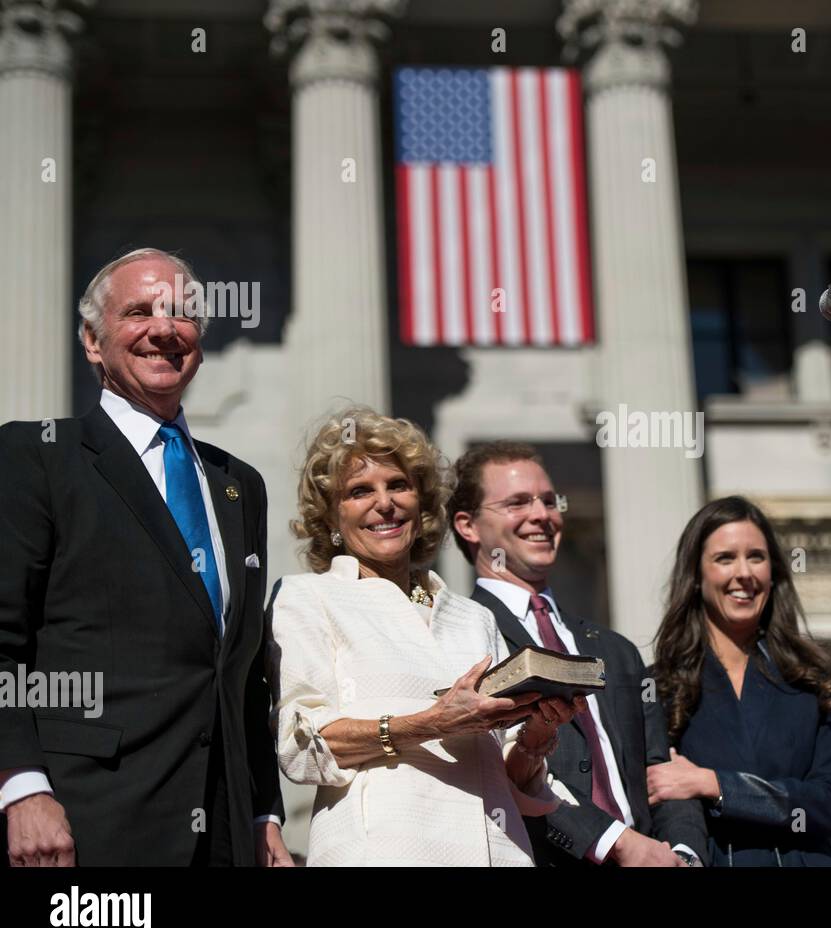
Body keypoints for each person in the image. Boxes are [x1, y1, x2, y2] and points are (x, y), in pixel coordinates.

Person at [0, 248, 288, 866]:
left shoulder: (239, 485)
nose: (163, 329)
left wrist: (264, 811)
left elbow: (241, 675)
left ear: (201, 342)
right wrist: (21, 789)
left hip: (228, 831)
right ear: (93, 341)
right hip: (86, 825)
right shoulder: (37, 458)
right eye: (137, 312)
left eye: (182, 314)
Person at [267, 411, 582, 866]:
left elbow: (513, 775)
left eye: (398, 485)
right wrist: (432, 722)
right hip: (382, 852)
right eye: (360, 491)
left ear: (422, 501)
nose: (385, 503)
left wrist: (538, 732)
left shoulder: (472, 617)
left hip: (499, 851)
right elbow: (302, 748)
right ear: (331, 515)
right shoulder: (308, 598)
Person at [449, 441, 707, 867]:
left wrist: (683, 854)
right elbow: (496, 773)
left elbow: (662, 774)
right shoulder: (462, 635)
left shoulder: (616, 650)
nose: (542, 515)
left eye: (549, 501)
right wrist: (614, 843)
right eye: (517, 503)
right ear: (468, 525)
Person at [649, 496, 831, 866]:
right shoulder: (659, 686)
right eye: (725, 558)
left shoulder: (822, 675)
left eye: (756, 557)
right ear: (696, 576)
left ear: (774, 572)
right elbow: (659, 797)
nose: (743, 573)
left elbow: (829, 806)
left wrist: (713, 784)